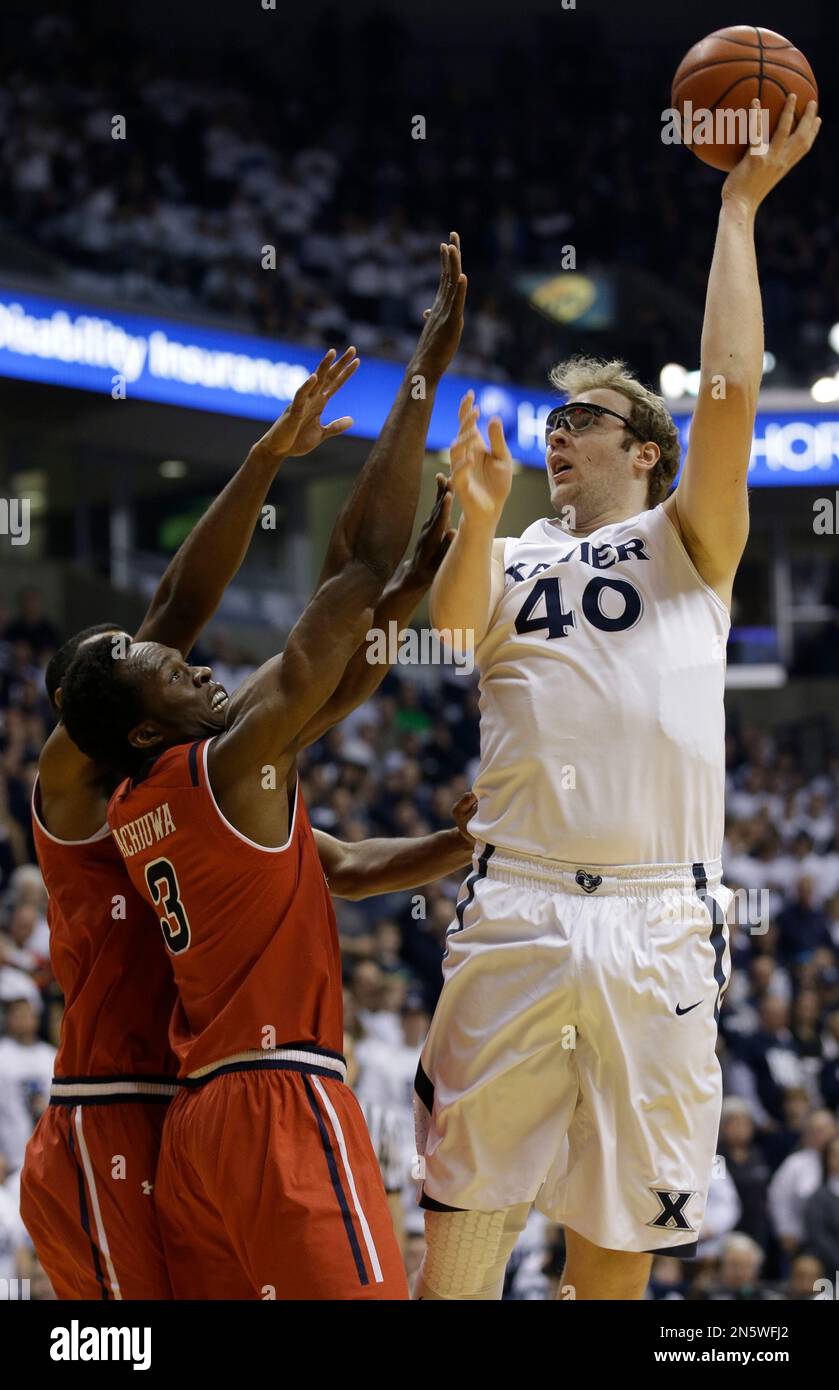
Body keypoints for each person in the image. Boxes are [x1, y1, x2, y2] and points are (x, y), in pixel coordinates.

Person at [416, 99, 821, 1300]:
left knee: (619, 1235)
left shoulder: (688, 536)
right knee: (466, 1221)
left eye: (579, 419)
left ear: (643, 447)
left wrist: (736, 209)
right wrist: (476, 516)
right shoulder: (506, 550)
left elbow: (734, 394)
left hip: (658, 916)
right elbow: (444, 636)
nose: (555, 434)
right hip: (520, 900)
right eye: (549, 419)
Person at [60, 235, 468, 1299]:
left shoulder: (163, 790)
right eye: (173, 675)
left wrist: (463, 841)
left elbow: (338, 856)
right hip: (278, 1097)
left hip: (197, 1123)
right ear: (142, 725)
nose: (197, 670)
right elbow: (351, 574)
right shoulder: (227, 763)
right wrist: (421, 371)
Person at [20, 343, 364, 1299]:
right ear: (75, 700)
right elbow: (177, 604)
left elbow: (308, 755)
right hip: (104, 1108)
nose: (158, 644)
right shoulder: (72, 775)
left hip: (186, 1109)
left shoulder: (170, 788)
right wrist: (265, 458)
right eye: (126, 650)